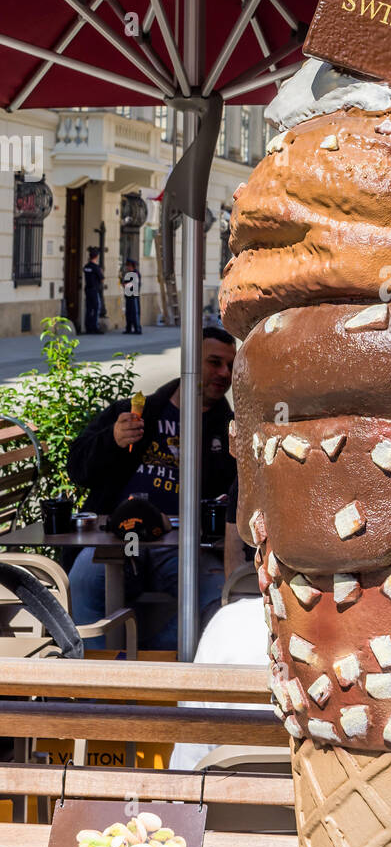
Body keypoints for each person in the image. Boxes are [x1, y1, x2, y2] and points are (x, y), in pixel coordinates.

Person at [67, 327, 237, 649]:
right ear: (190, 361)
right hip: (124, 538)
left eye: (230, 366)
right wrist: (111, 441)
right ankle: (98, 682)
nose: (224, 373)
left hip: (182, 546)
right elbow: (77, 468)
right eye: (215, 362)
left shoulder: (228, 430)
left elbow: (234, 496)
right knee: (87, 581)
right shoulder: (136, 413)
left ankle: (148, 668)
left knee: (219, 598)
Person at [83, 247, 104, 334]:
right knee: (96, 308)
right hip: (94, 290)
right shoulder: (96, 267)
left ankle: (88, 327)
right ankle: (95, 327)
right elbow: (102, 279)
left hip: (87, 289)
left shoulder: (86, 267)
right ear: (96, 257)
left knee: (88, 309)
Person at [121, 258, 142, 335]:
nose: (127, 267)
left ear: (132, 266)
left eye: (128, 266)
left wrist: (126, 285)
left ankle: (137, 329)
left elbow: (134, 284)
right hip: (128, 296)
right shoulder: (128, 274)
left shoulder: (136, 273)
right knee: (128, 313)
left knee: (135, 313)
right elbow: (124, 284)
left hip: (134, 296)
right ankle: (128, 328)